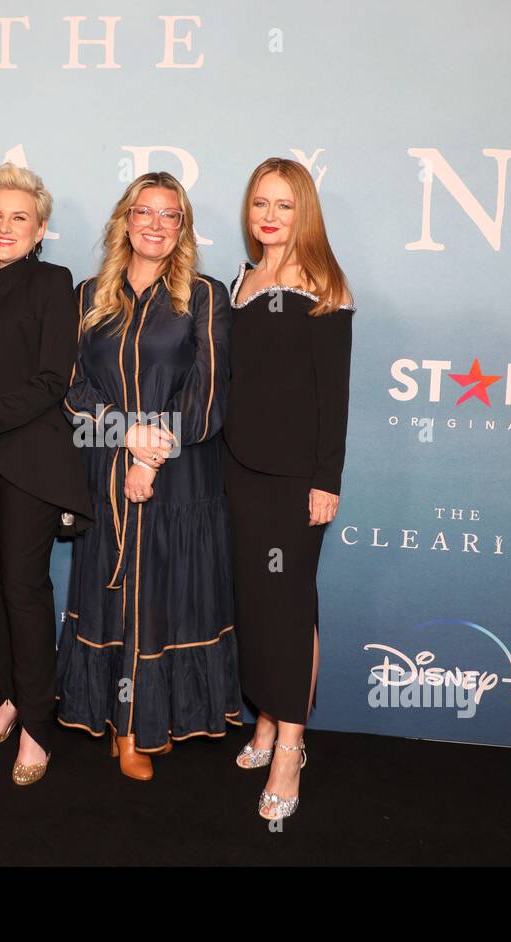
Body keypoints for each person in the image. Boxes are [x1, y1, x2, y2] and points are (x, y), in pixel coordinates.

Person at [55, 171, 242, 781]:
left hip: (178, 476)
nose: (155, 224)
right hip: (103, 466)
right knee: (113, 594)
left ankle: (140, 728)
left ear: (182, 228)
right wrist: (121, 433)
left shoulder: (205, 295)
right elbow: (72, 390)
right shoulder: (88, 295)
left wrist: (148, 456)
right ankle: (114, 720)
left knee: (155, 597)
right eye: (144, 212)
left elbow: (207, 398)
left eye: (170, 215)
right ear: (124, 220)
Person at [0, 163, 93, 786]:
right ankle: (10, 697)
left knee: (26, 593)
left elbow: (51, 381)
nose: (5, 228)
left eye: (19, 218)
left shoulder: (55, 283)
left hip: (30, 461)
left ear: (41, 228)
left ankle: (37, 724)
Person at [222, 157, 355, 819]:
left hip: (296, 479)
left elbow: (334, 395)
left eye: (283, 205)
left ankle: (289, 751)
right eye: (259, 205)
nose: (269, 217)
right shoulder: (241, 281)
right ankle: (269, 719)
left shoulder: (323, 282)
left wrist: (325, 480)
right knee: (256, 603)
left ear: (304, 212)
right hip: (238, 468)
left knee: (291, 606)